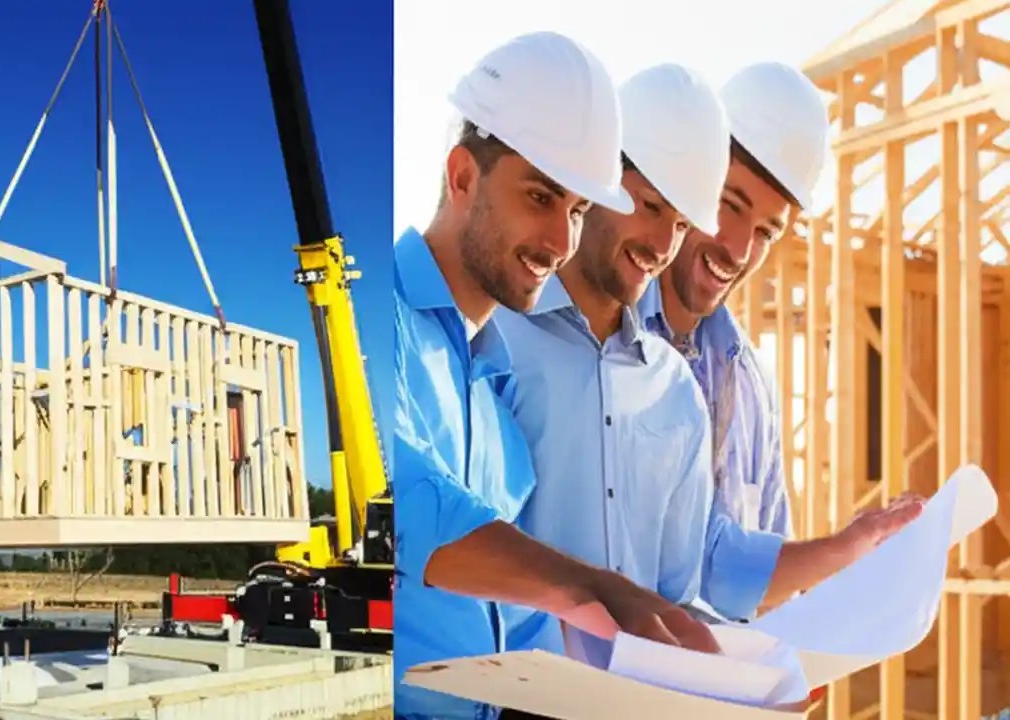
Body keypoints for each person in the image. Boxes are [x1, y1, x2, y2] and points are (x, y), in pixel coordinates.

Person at [394, 33, 719, 720]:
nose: (560, 241)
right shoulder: (381, 326)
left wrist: (721, 687)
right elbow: (411, 514)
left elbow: (513, 630)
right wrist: (586, 586)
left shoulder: (493, 393)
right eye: (540, 196)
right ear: (462, 177)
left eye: (576, 211)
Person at [636, 61, 924, 622]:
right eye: (730, 205)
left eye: (767, 231)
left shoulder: (750, 383)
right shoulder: (604, 344)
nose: (739, 249)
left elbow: (764, 584)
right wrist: (839, 551)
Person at [492, 63, 733, 662]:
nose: (661, 244)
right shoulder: (493, 342)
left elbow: (676, 599)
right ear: (596, 180)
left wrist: (753, 672)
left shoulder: (677, 393)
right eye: (650, 205)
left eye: (679, 225)